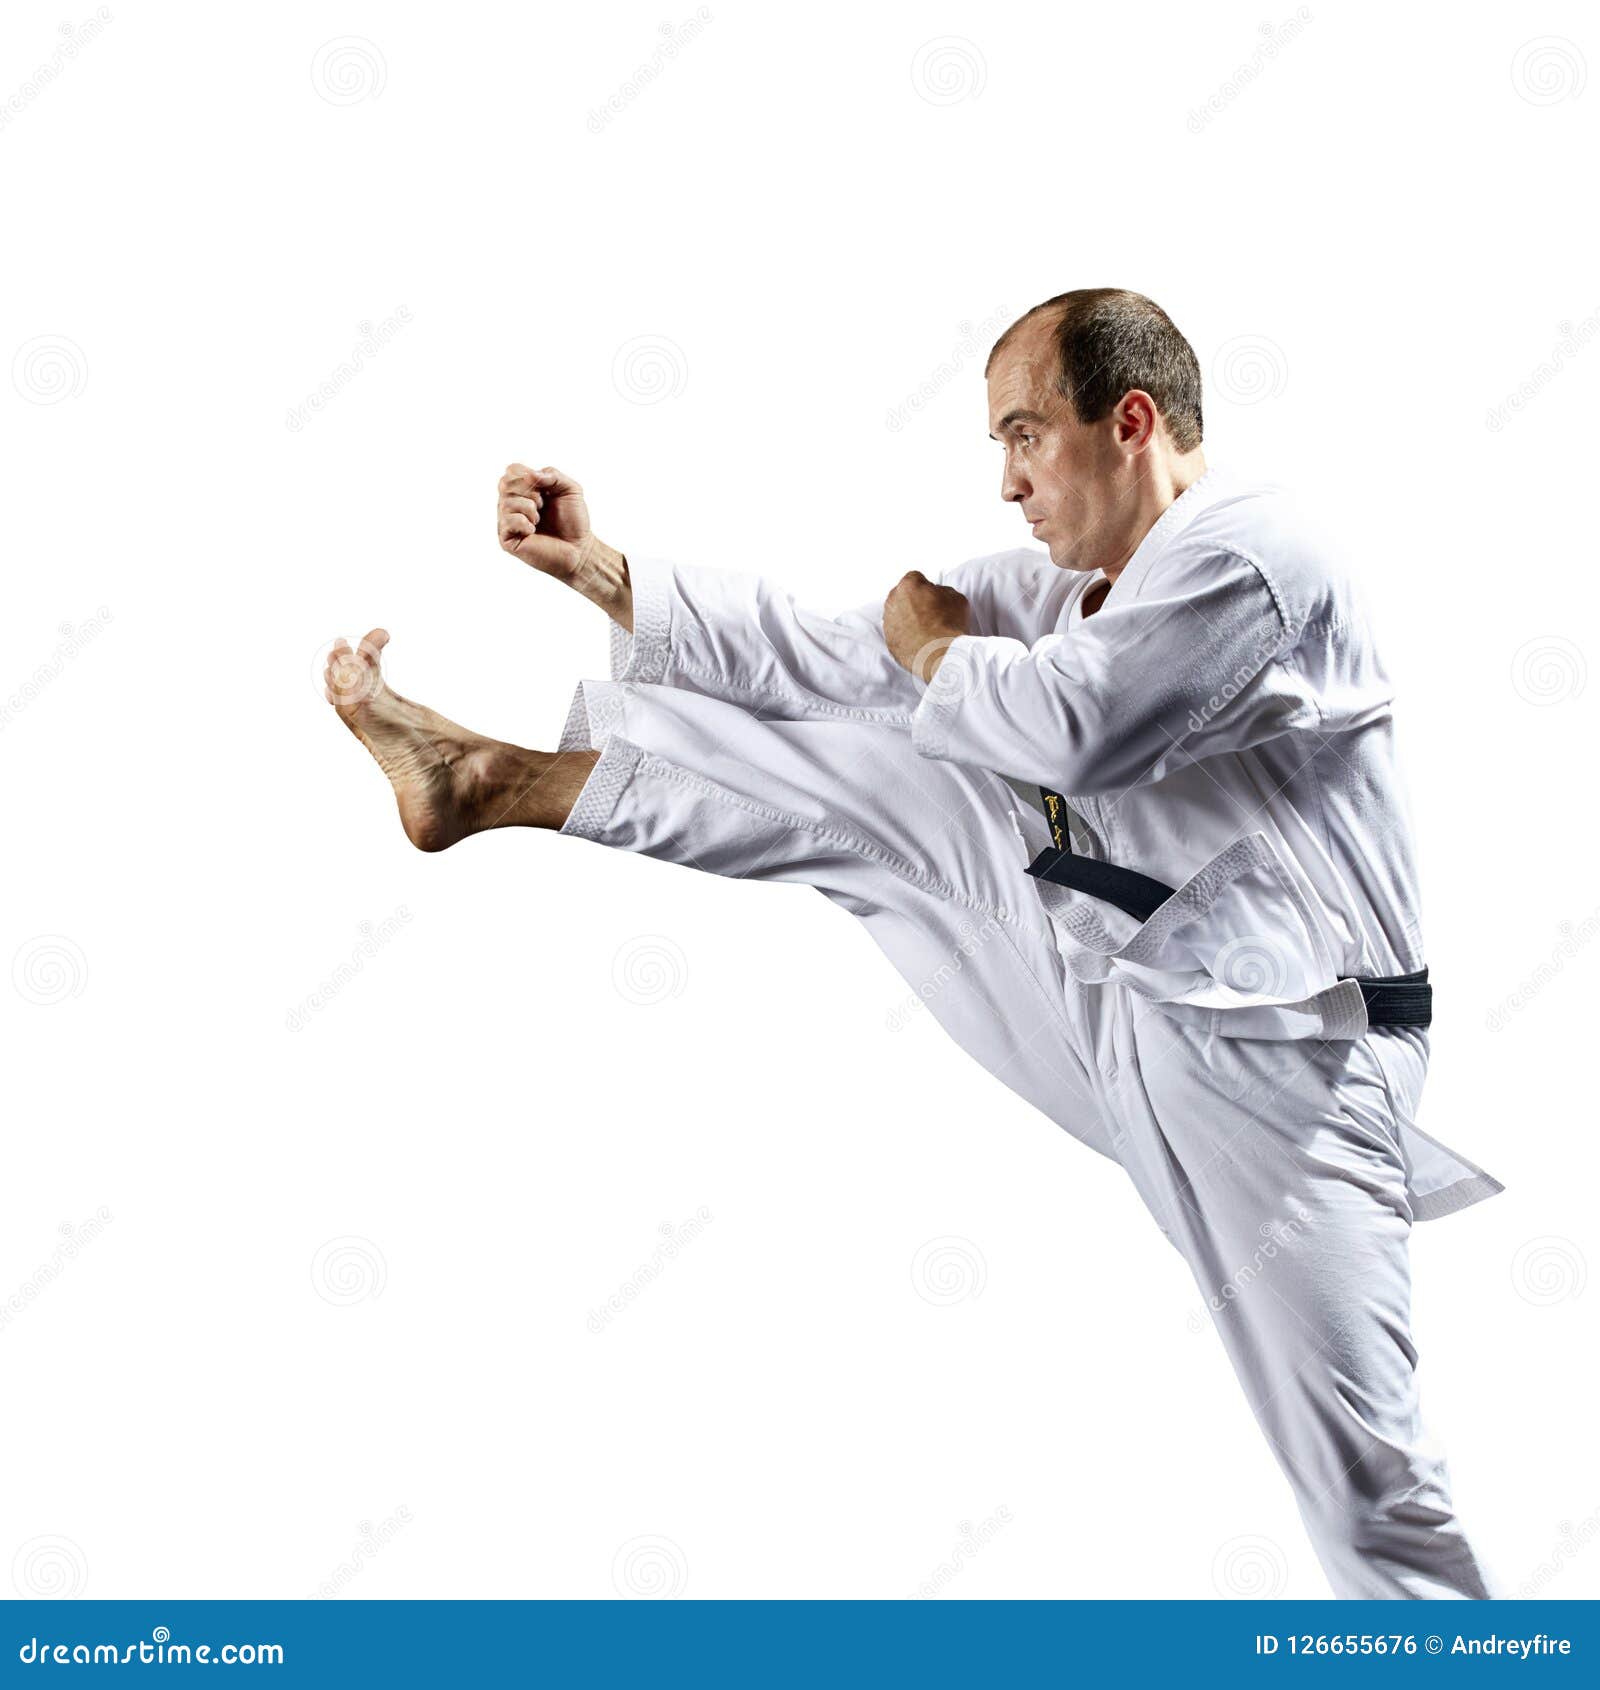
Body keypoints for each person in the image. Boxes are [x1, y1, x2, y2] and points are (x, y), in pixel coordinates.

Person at [323, 288, 1503, 1599]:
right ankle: (494, 778)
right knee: (889, 793)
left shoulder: (1261, 554)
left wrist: (937, 641)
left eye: (1024, 437)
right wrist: (606, 574)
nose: (1005, 483)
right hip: (1137, 998)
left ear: (1130, 421)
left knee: (1368, 1492)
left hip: (1298, 1070)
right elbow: (845, 659)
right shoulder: (1074, 586)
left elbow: (1073, 726)